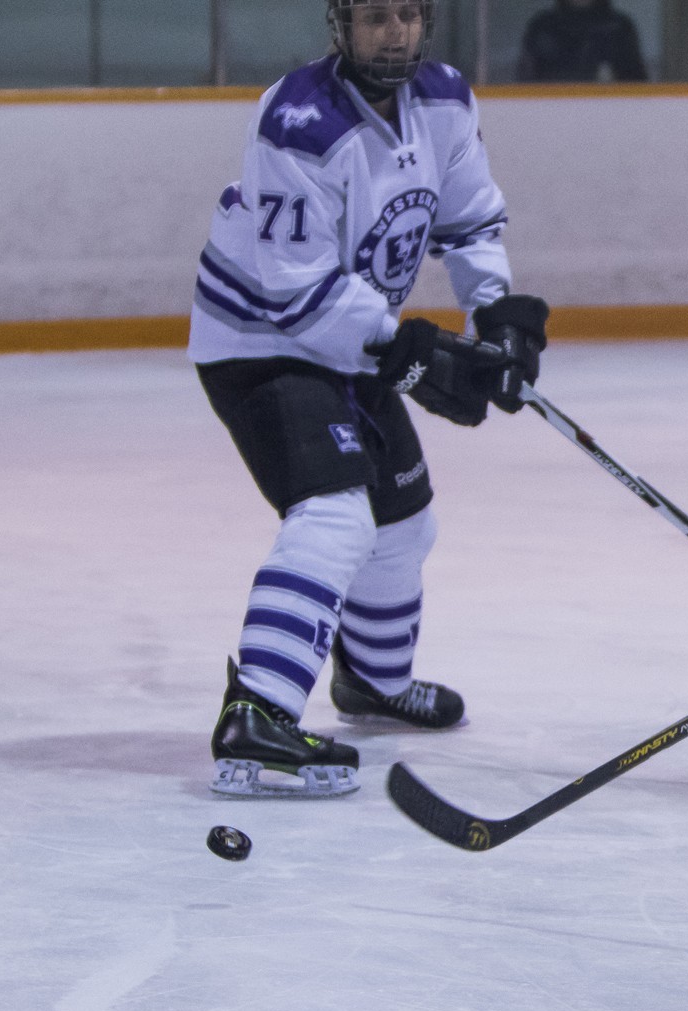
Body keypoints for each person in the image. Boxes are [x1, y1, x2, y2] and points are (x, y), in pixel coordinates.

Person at [188, 0, 549, 797]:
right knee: (335, 514)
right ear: (341, 25)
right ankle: (260, 718)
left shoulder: (447, 100)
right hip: (263, 344)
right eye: (376, 17)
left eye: (410, 16)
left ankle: (373, 685)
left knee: (405, 525)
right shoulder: (299, 120)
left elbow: (469, 221)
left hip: (353, 339)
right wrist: (409, 354)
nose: (396, 34)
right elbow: (292, 291)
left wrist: (495, 315)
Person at [516, 0, 647, 83]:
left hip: (609, 118)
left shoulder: (619, 28)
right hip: (549, 118)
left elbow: (637, 85)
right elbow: (526, 84)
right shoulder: (542, 27)